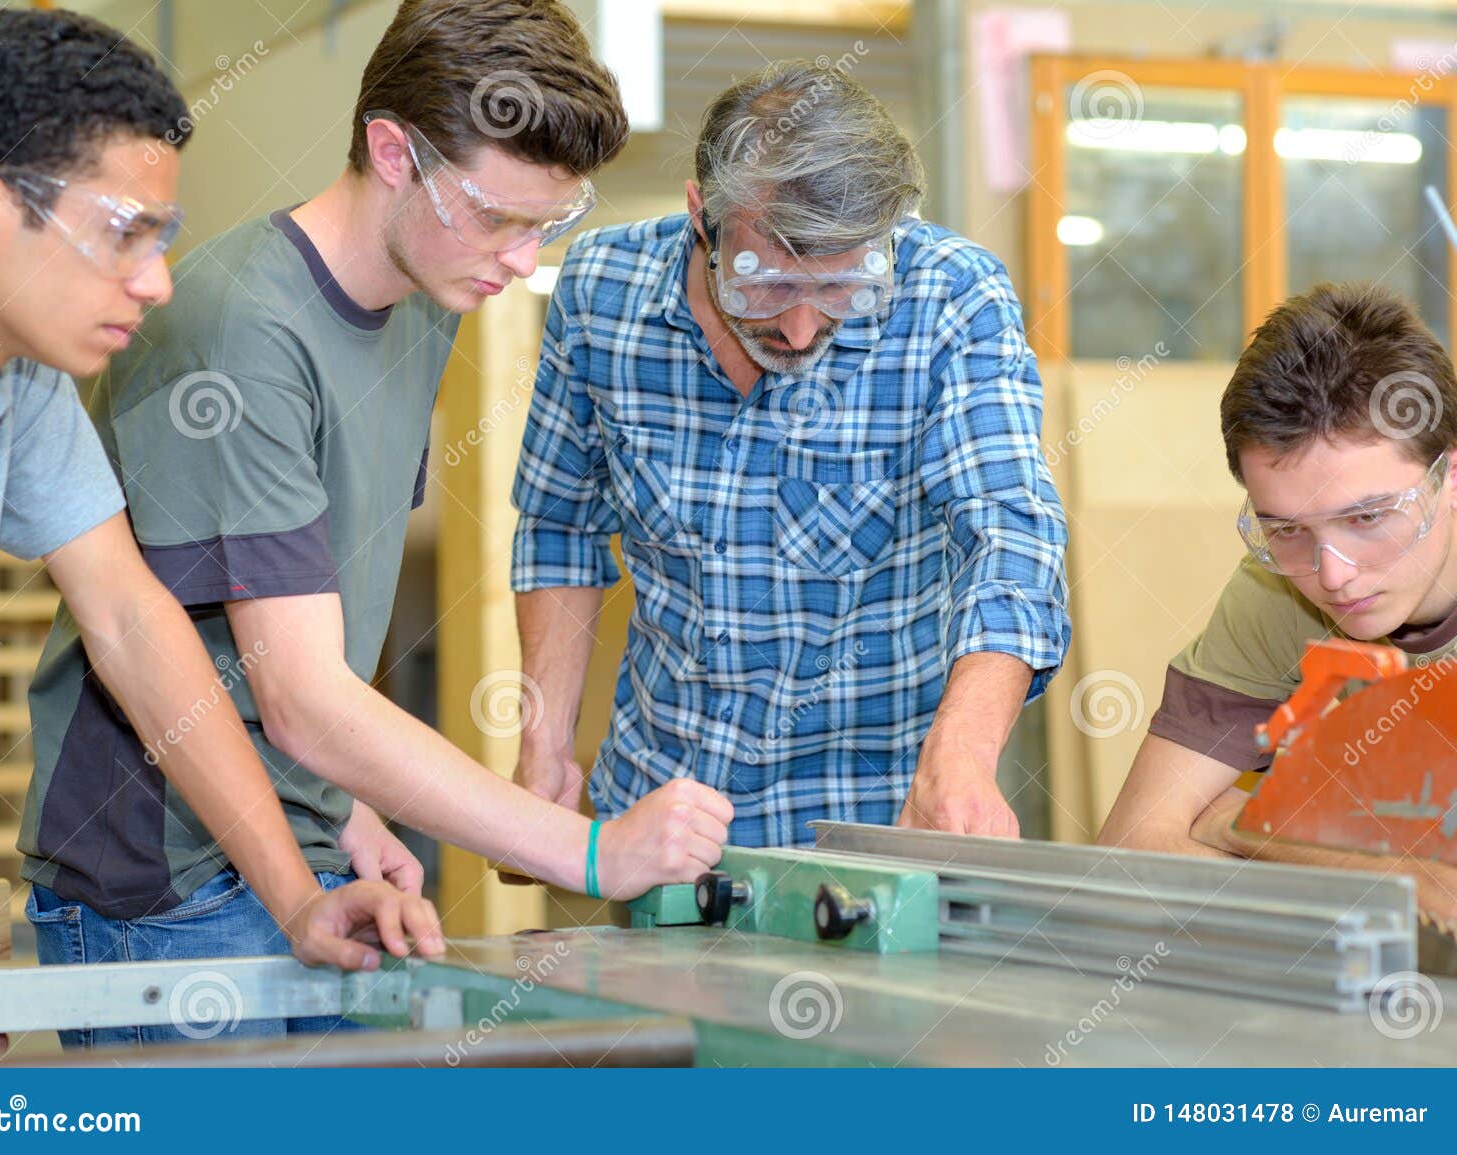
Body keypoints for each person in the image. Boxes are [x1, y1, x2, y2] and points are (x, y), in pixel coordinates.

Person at [18, 0, 732, 1045]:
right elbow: (300, 698)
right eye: (497, 216)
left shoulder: (427, 297)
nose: (521, 259)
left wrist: (341, 810)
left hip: (290, 856)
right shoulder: (236, 329)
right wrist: (583, 854)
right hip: (166, 887)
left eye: (549, 224)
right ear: (392, 152)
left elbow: (290, 622)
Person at [0, 7, 441, 988]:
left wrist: (296, 895)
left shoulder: (18, 384)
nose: (158, 281)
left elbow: (131, 620)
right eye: (125, 235)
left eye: (161, 238)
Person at [509, 61, 1070, 847]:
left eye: (842, 289)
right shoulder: (600, 293)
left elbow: (1010, 537)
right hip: (662, 818)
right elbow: (560, 526)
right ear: (702, 217)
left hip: (878, 824)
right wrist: (544, 750)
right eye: (766, 285)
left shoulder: (952, 297)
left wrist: (964, 760)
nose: (803, 331)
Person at [1099, 282, 1457, 929]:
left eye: (1369, 516)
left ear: (1449, 473)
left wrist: (1247, 825)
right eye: (1286, 529)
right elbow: (1132, 849)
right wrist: (1391, 876)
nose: (1332, 576)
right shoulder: (1274, 591)